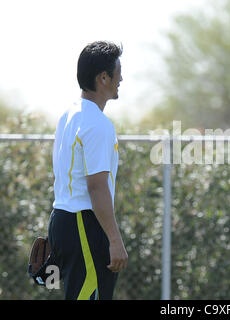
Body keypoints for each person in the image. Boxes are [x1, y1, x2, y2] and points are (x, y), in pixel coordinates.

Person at [48, 41, 128, 300]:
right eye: (118, 72)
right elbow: (96, 186)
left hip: (63, 217)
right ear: (103, 78)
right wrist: (114, 239)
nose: (121, 78)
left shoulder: (68, 115)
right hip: (84, 223)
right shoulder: (98, 124)